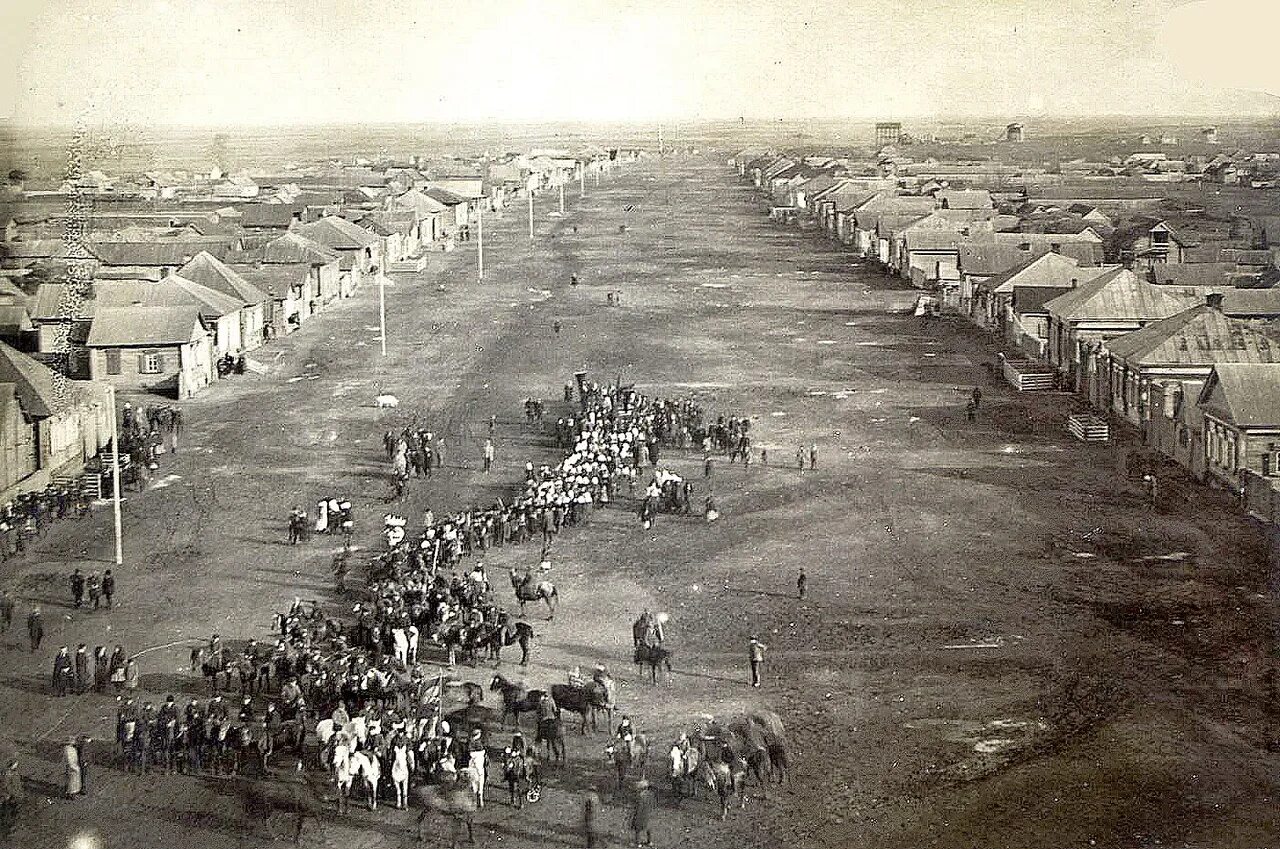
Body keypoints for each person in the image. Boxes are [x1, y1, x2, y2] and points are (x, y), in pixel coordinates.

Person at [630, 779, 656, 847]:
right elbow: (654, 804)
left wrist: (635, 813)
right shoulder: (651, 794)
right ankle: (650, 841)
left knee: (637, 828)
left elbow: (639, 806)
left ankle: (638, 843)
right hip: (649, 812)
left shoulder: (640, 795)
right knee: (648, 828)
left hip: (641, 813)